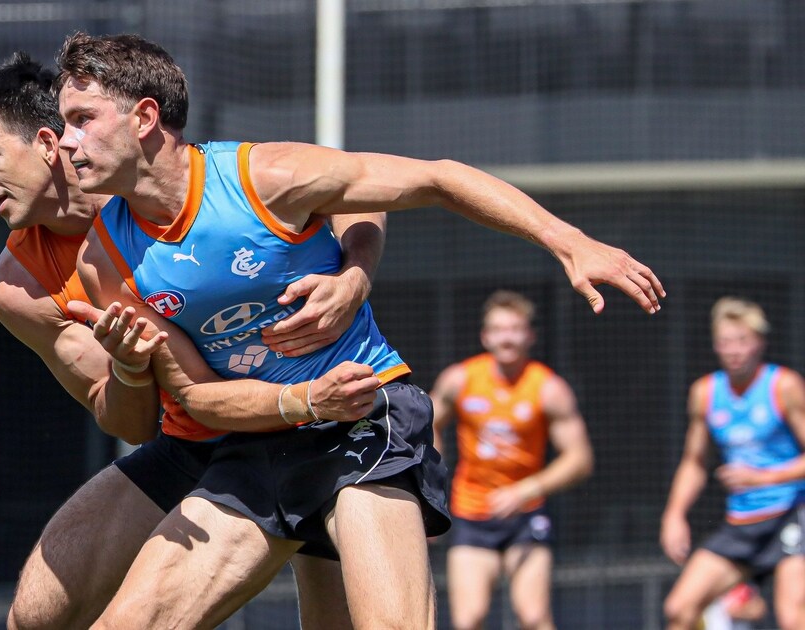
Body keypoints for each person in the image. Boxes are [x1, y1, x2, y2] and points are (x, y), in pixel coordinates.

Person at [55, 32, 663, 629]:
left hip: (363, 421)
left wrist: (568, 242)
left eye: (82, 119)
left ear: (143, 117)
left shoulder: (261, 177)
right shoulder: (104, 259)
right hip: (258, 439)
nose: (67, 143)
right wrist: (300, 399)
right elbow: (194, 395)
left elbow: (436, 179)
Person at [0, 52, 389, 630]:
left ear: (49, 143)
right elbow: (126, 421)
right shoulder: (17, 288)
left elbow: (362, 186)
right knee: (35, 617)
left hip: (310, 421)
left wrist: (354, 274)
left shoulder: (152, 179)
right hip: (196, 441)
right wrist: (129, 370)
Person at [429, 290, 594, 630]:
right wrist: (433, 481)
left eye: (515, 329)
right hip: (472, 512)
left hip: (526, 515)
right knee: (469, 618)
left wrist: (525, 490)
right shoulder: (460, 379)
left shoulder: (548, 388)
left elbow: (580, 458)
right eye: (499, 330)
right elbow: (425, 422)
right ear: (485, 336)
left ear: (529, 336)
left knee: (533, 617)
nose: (507, 338)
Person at [662, 297, 805, 630]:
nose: (734, 350)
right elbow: (694, 463)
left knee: (792, 617)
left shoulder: (784, 386)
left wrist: (766, 477)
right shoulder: (706, 393)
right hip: (742, 522)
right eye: (726, 342)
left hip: (791, 516)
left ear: (760, 343)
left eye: (743, 340)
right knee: (679, 608)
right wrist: (674, 514)